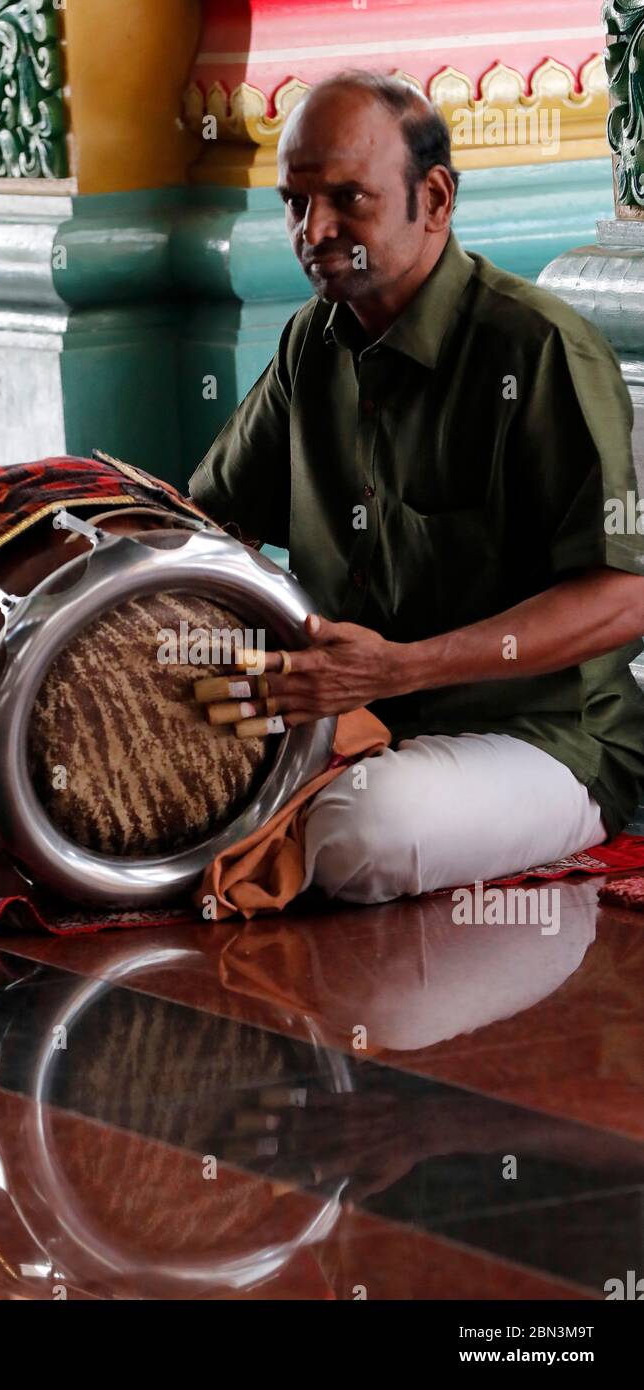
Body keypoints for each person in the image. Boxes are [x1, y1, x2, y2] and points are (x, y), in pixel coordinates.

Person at [188, 69, 644, 903]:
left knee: (370, 831)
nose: (313, 229)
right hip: (352, 727)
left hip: (539, 740)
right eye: (295, 203)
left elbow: (623, 599)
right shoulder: (311, 344)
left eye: (347, 200)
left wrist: (396, 672)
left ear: (434, 199)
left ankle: (237, 846)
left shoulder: (539, 349)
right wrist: (37, 508)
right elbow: (206, 528)